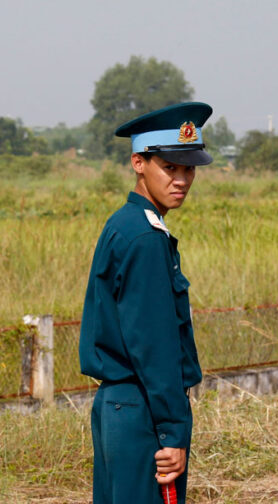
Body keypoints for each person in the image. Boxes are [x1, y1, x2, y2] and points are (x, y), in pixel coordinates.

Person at [79, 102, 212, 504]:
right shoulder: (145, 238)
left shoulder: (127, 222)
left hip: (120, 407)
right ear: (139, 162)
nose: (182, 179)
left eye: (188, 169)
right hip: (142, 412)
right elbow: (153, 345)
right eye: (169, 167)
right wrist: (172, 431)